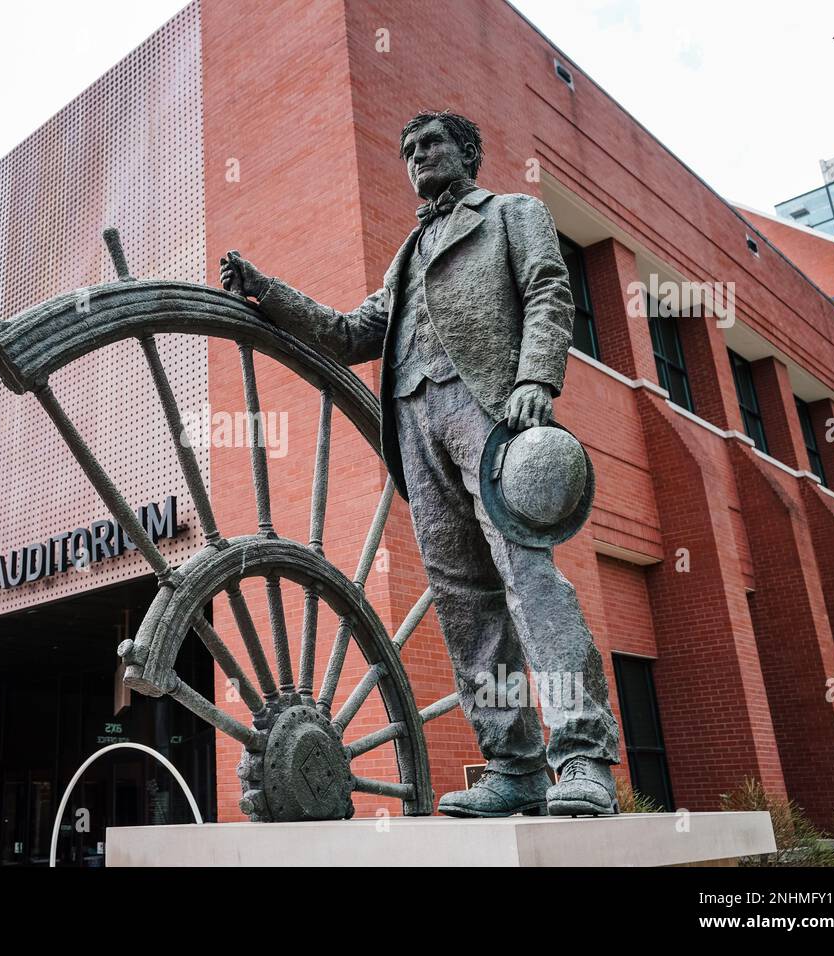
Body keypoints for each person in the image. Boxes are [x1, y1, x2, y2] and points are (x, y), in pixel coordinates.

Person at [220, 110, 621, 818]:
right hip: (415, 426)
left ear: (467, 151)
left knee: (532, 583)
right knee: (466, 605)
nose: (417, 157)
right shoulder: (405, 256)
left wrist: (535, 379)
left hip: (491, 413)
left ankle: (583, 754)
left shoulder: (511, 214)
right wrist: (268, 292)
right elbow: (349, 334)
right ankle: (514, 767)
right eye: (407, 150)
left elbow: (549, 292)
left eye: (431, 144)